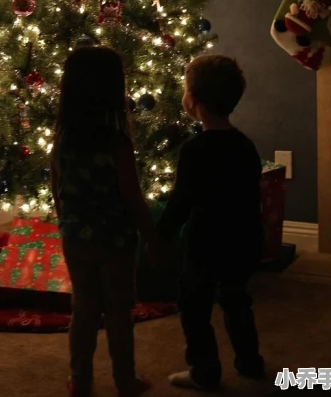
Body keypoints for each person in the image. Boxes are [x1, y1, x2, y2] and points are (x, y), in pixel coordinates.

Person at [51, 46, 159, 397]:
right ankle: (124, 380)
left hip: (75, 237)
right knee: (117, 311)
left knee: (83, 308)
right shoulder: (117, 145)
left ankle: (80, 380)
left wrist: (67, 223)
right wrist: (152, 238)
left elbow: (57, 191)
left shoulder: (62, 142)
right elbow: (132, 198)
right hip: (114, 240)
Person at [157, 54, 265, 391]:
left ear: (193, 101)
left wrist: (160, 235)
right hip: (245, 238)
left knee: (195, 306)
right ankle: (250, 361)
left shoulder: (194, 150)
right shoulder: (246, 146)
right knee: (236, 300)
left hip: (206, 242)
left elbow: (181, 201)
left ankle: (204, 369)